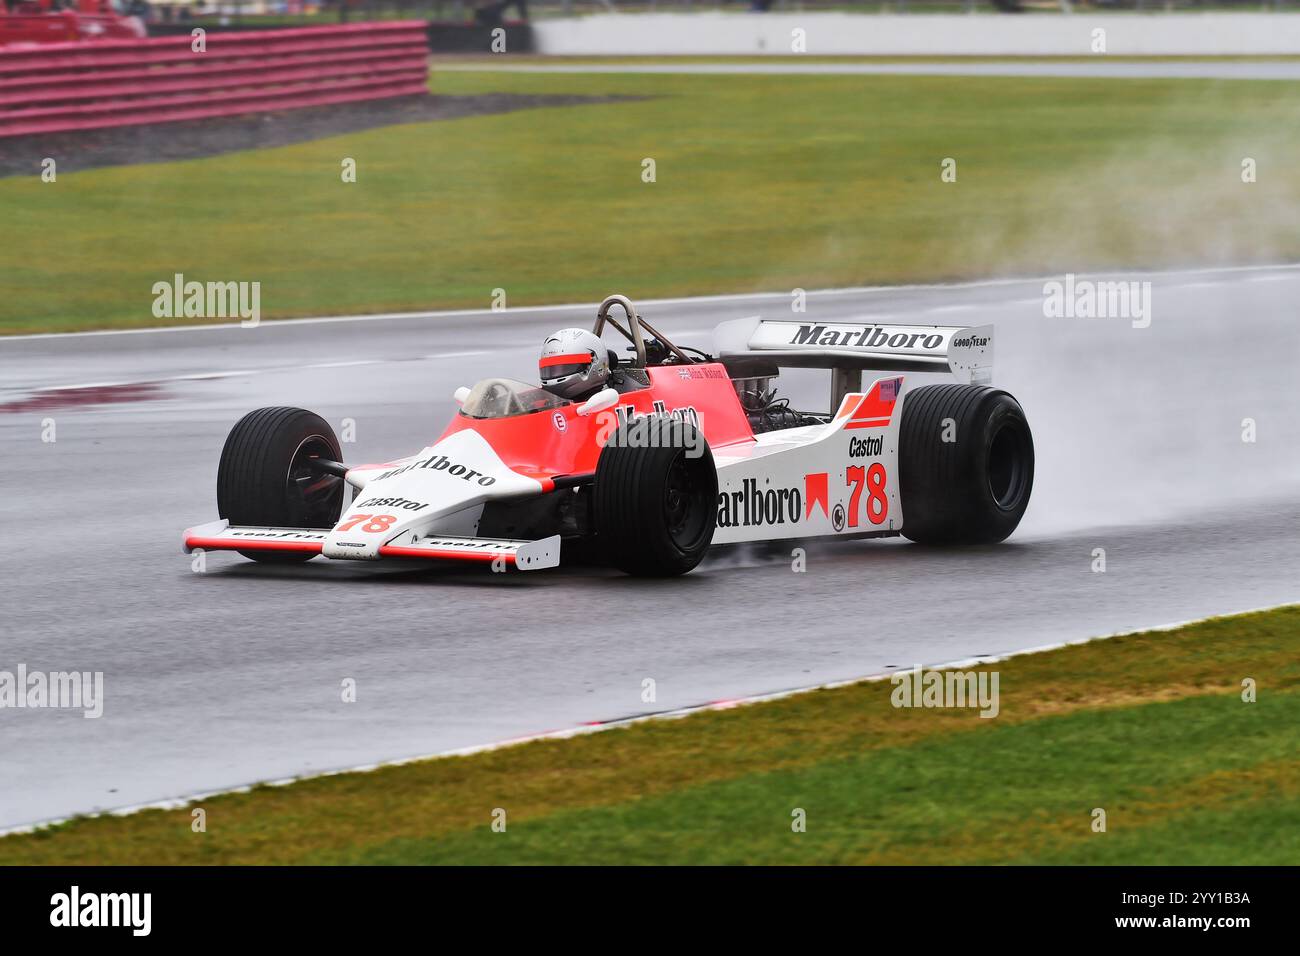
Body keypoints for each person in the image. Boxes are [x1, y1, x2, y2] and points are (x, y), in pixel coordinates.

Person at [538, 329, 610, 402]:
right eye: (550, 369)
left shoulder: (609, 402)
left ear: (593, 362)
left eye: (565, 367)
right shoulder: (543, 403)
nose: (554, 373)